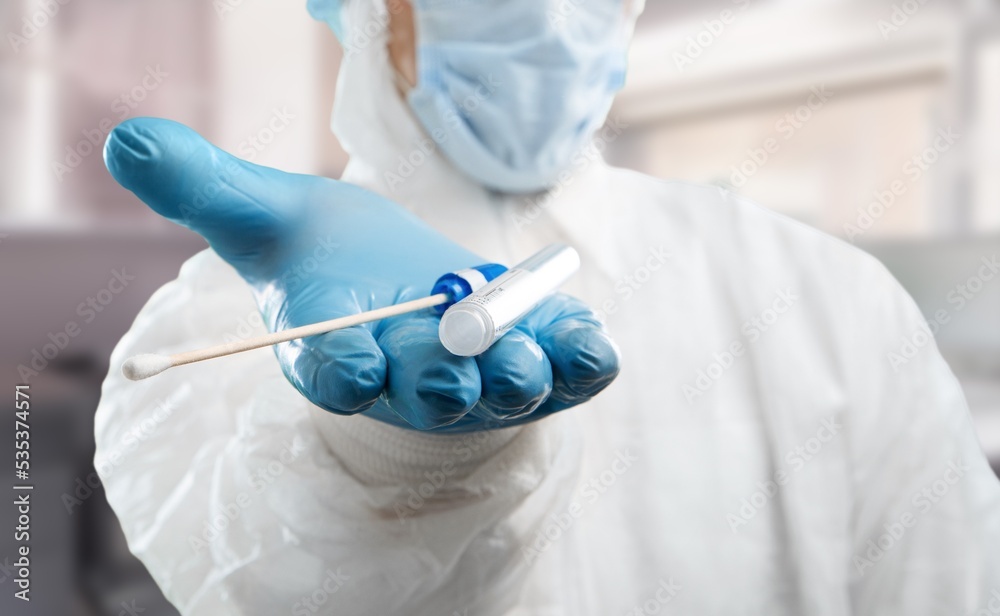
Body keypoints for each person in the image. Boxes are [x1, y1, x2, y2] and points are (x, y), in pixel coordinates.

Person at [94, 0, 1000, 614]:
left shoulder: (830, 296)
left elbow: (949, 585)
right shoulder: (212, 329)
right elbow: (276, 585)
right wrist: (394, 456)